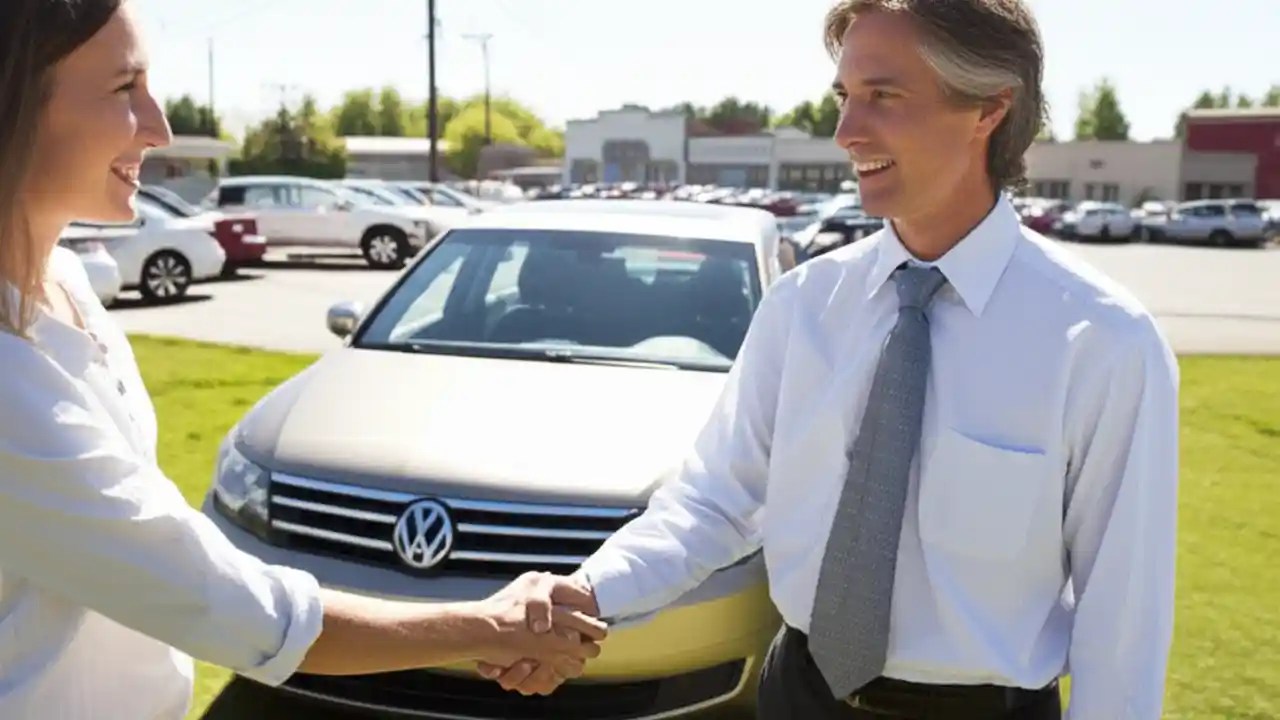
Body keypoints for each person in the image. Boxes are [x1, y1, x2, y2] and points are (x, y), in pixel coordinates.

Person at [478, 1, 1180, 718]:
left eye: (884, 95)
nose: (846, 132)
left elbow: (1123, 621)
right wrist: (586, 594)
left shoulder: (1103, 341)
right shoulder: (803, 305)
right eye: (844, 97)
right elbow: (714, 501)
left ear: (989, 109)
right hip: (796, 695)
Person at [0, 2, 605, 718]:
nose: (159, 127)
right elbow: (223, 603)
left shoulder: (68, 287)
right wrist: (489, 626)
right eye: (124, 89)